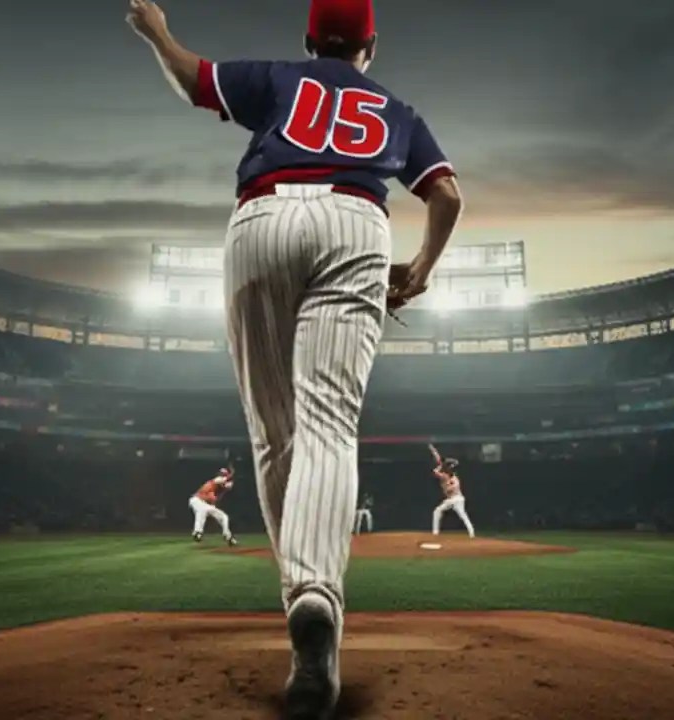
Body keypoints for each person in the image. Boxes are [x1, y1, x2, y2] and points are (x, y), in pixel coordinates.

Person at [126, 0, 463, 716]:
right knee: (329, 423)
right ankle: (317, 596)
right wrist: (423, 268)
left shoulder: (282, 78)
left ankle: (304, 602)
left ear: (311, 39)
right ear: (371, 44)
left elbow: (195, 81)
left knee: (274, 434)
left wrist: (156, 31)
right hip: (355, 221)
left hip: (262, 218)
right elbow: (446, 194)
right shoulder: (397, 110)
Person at [429, 444, 475, 537]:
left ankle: (471, 533)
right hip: (450, 499)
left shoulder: (452, 478)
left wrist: (440, 467)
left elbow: (435, 472)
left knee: (462, 515)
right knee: (437, 511)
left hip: (457, 499)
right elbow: (438, 468)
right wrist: (434, 452)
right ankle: (435, 532)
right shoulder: (446, 475)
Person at [190, 468, 238, 546]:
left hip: (207, 504)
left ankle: (228, 536)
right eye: (221, 475)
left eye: (223, 475)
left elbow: (224, 488)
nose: (222, 476)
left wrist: (226, 487)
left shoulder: (219, 490)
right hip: (197, 500)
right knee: (202, 512)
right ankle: (197, 532)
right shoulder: (215, 480)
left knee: (223, 517)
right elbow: (221, 481)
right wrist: (230, 476)